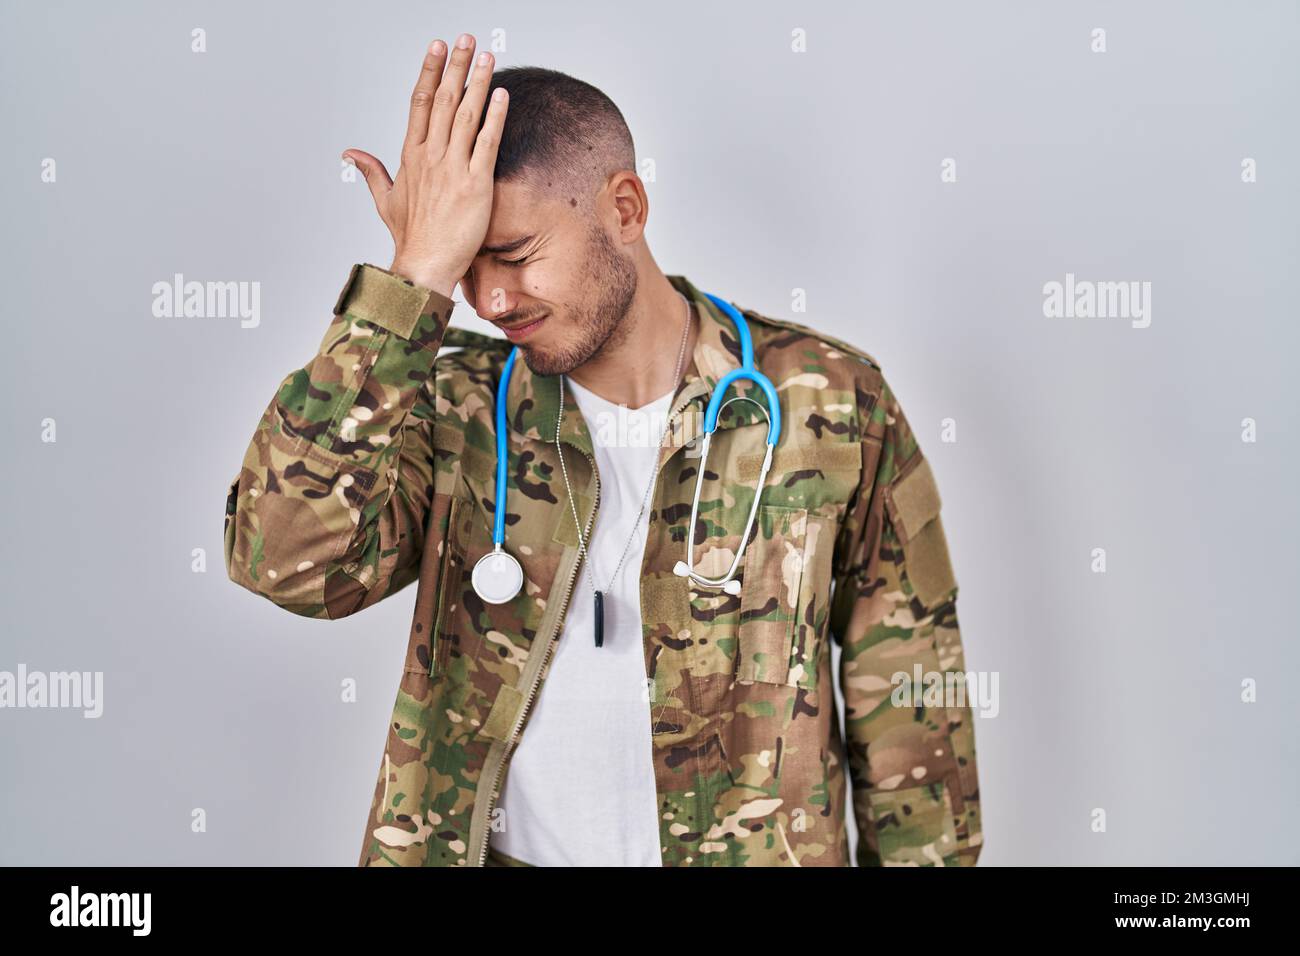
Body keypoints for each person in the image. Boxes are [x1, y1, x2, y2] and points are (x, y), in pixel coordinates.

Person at [223, 32, 983, 867]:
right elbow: (284, 560)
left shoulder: (828, 401)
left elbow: (913, 705)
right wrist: (410, 284)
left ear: (625, 208)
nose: (490, 299)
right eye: (465, 269)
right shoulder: (445, 403)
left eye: (512, 255)